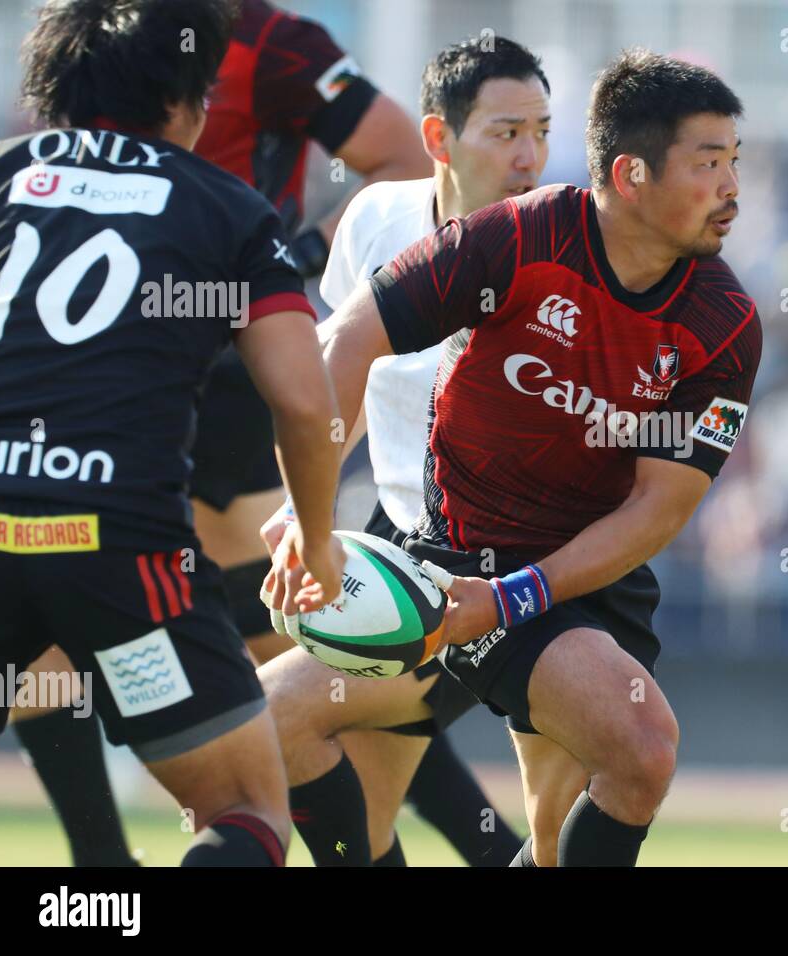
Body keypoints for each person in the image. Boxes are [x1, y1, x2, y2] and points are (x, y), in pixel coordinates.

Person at [267, 48, 760, 866]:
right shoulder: (513, 238)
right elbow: (343, 348)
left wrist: (516, 596)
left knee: (612, 781)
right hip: (451, 560)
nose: (732, 188)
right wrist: (308, 524)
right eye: (710, 165)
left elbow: (659, 508)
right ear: (632, 174)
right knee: (269, 729)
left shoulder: (725, 323)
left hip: (583, 581)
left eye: (735, 163)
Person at [9, 0, 428, 867]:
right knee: (245, 807)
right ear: (185, 99)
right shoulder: (226, 207)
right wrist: (316, 542)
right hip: (119, 547)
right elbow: (306, 404)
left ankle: (95, 892)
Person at [261, 35, 551, 867]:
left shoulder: (568, 251)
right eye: (506, 132)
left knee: (274, 720)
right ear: (437, 139)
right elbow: (344, 387)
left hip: (502, 569)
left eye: (542, 129)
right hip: (403, 546)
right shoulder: (377, 218)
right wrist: (297, 508)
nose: (530, 154)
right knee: (368, 819)